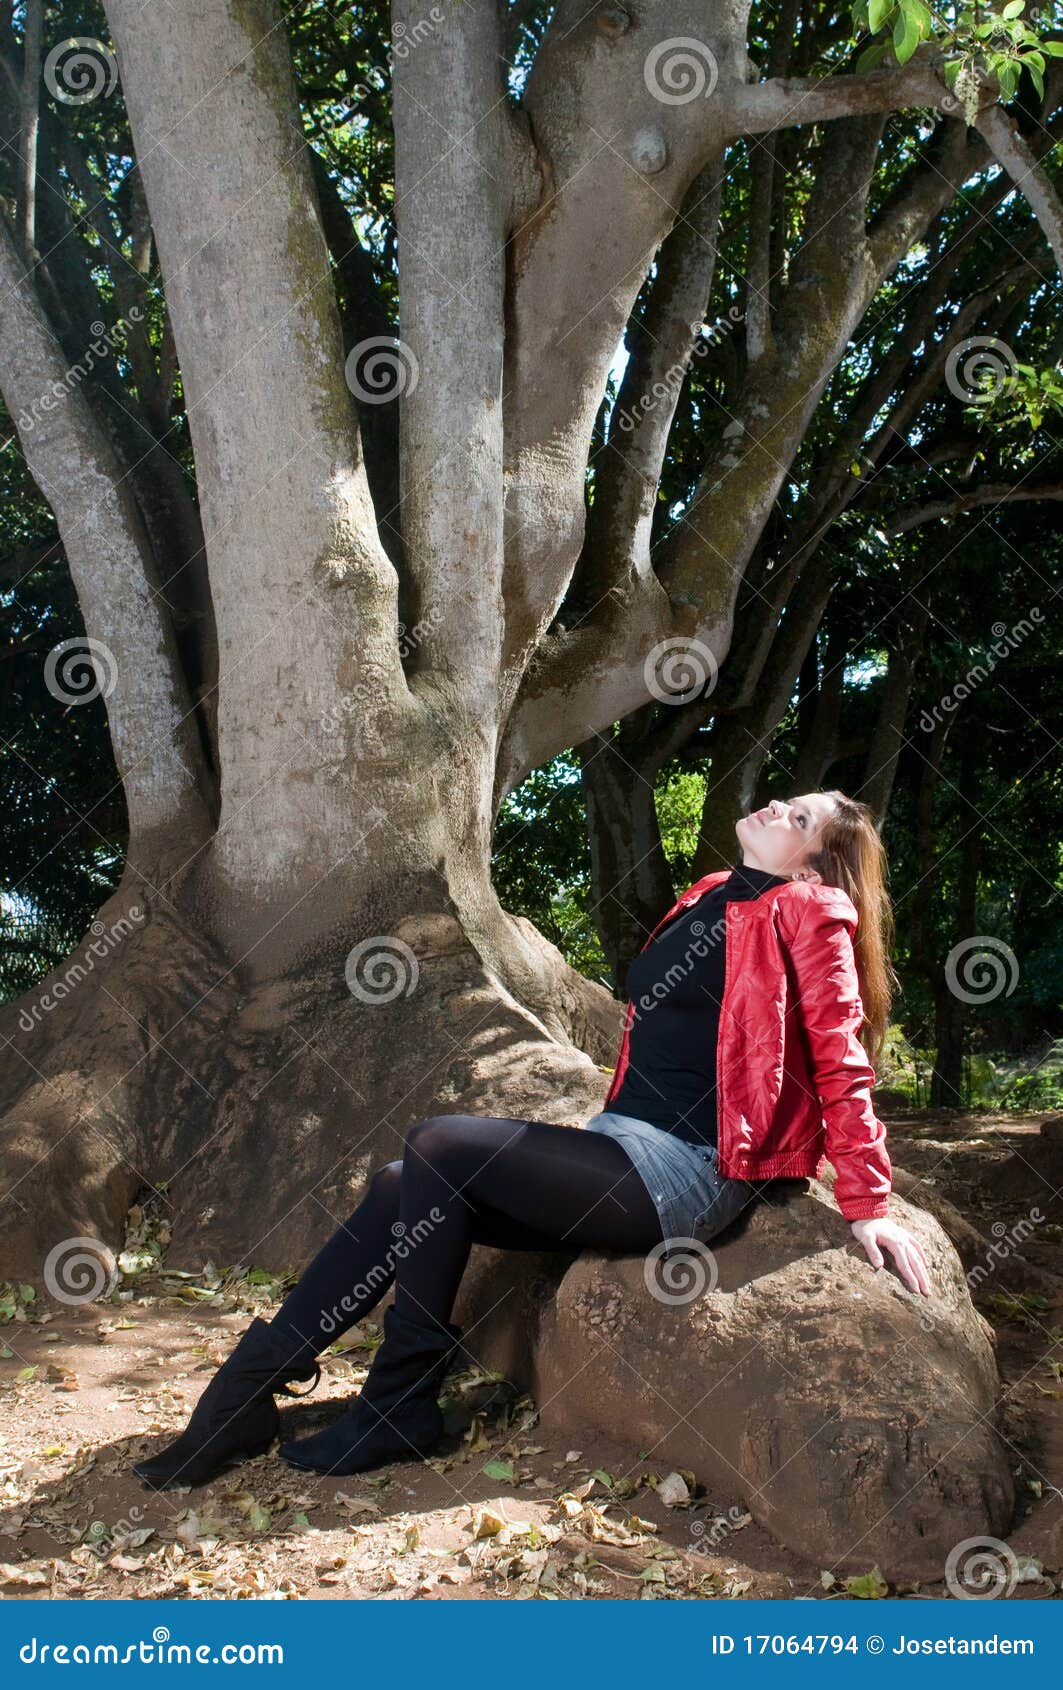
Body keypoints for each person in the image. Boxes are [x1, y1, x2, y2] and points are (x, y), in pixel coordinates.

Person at [133, 788, 931, 1491]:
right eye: (787, 799)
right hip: (620, 1144)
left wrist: (867, 1203)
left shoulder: (810, 913)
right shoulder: (710, 896)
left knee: (437, 1144)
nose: (776, 808)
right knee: (396, 1184)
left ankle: (398, 1402)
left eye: (799, 819)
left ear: (812, 868)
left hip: (686, 1168)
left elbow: (840, 1057)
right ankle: (243, 1395)